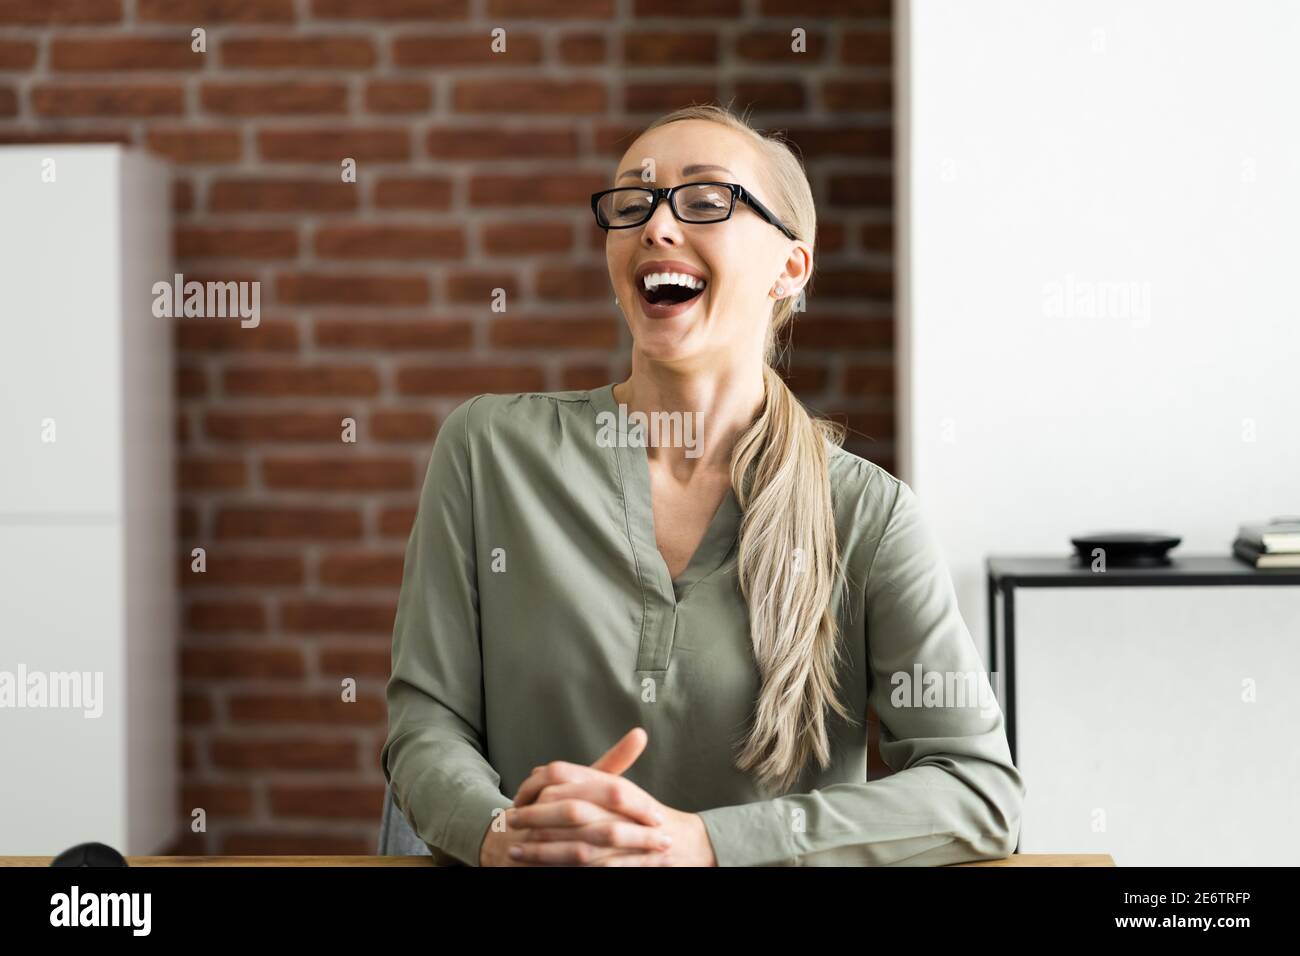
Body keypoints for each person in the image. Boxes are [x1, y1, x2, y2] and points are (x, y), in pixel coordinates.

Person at [380, 103, 1025, 867]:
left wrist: (707, 844)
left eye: (706, 199)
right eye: (633, 202)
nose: (656, 225)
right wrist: (500, 835)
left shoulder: (868, 515)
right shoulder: (488, 452)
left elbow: (979, 789)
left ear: (790, 266)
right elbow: (427, 725)